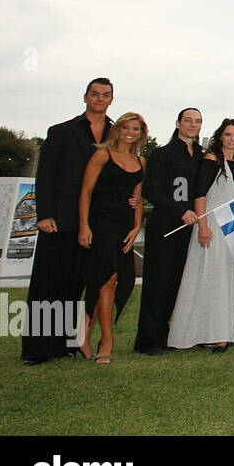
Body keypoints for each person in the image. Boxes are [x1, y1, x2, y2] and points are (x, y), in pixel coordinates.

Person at [23, 77, 114, 366]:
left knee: (75, 285)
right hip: (60, 219)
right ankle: (37, 349)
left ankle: (65, 343)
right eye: (95, 94)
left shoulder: (116, 133)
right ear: (86, 97)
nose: (100, 99)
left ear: (111, 99)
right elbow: (45, 175)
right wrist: (44, 214)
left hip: (95, 221)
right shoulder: (62, 131)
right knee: (47, 283)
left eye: (105, 95)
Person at [169, 118, 234, 352]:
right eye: (228, 134)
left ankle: (221, 331)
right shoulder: (212, 160)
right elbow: (200, 194)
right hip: (211, 223)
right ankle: (197, 332)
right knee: (206, 277)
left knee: (223, 279)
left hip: (231, 224)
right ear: (220, 137)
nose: (232, 138)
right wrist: (203, 226)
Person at [75, 111, 146, 364]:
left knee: (116, 281)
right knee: (107, 279)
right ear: (117, 129)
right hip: (101, 224)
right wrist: (84, 225)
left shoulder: (141, 161)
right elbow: (86, 192)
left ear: (142, 133)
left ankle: (81, 335)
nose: (130, 132)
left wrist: (137, 225)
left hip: (125, 226)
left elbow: (138, 198)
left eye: (136, 128)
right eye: (126, 126)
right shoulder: (101, 155)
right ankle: (106, 340)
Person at [134, 107, 203, 355]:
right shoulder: (162, 154)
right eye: (188, 120)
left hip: (189, 230)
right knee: (157, 284)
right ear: (178, 123)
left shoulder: (200, 155)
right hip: (165, 227)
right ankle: (148, 340)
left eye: (197, 121)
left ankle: (166, 335)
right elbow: (151, 190)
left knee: (175, 283)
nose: (193, 125)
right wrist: (179, 211)